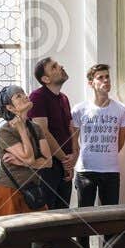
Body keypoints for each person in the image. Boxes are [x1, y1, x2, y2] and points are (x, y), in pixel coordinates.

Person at [71, 64, 125, 209]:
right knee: (85, 214)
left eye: (107, 77)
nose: (106, 80)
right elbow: (73, 141)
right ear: (91, 83)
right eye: (100, 77)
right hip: (86, 170)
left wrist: (106, 155)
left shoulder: (121, 109)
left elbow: (120, 142)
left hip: (110, 170)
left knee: (110, 215)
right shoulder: (79, 109)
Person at [0, 85, 52, 216]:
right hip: (9, 189)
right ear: (10, 107)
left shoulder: (36, 128)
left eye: (24, 93)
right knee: (9, 233)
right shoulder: (5, 131)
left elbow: (48, 162)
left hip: (33, 189)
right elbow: (30, 157)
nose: (25, 96)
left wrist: (23, 162)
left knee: (37, 233)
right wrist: (20, 128)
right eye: (18, 96)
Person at [28, 58, 75, 213]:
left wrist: (73, 155)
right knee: (48, 216)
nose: (61, 66)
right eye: (54, 67)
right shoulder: (37, 97)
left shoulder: (64, 98)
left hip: (64, 164)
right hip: (47, 166)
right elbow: (43, 131)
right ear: (45, 79)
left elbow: (70, 129)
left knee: (64, 214)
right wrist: (64, 160)